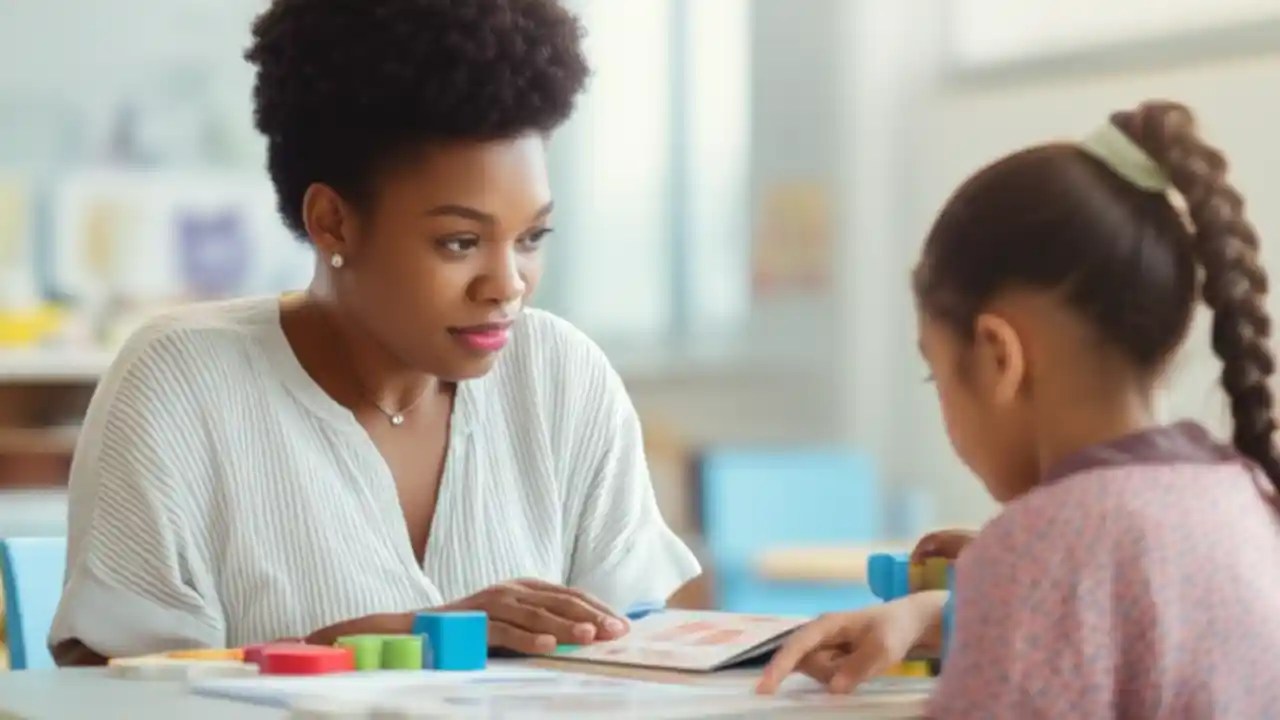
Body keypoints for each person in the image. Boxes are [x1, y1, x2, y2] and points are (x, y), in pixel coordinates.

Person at [48, 0, 700, 665]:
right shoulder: (182, 384)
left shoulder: (563, 378)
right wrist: (387, 643)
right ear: (333, 222)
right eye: (459, 241)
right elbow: (109, 686)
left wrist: (785, 663)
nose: (507, 284)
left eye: (532, 237)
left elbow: (640, 652)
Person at [757, 100, 1280, 717]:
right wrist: (959, 602)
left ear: (998, 356)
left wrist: (1004, 573)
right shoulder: (1244, 495)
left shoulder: (1037, 551)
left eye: (936, 372)